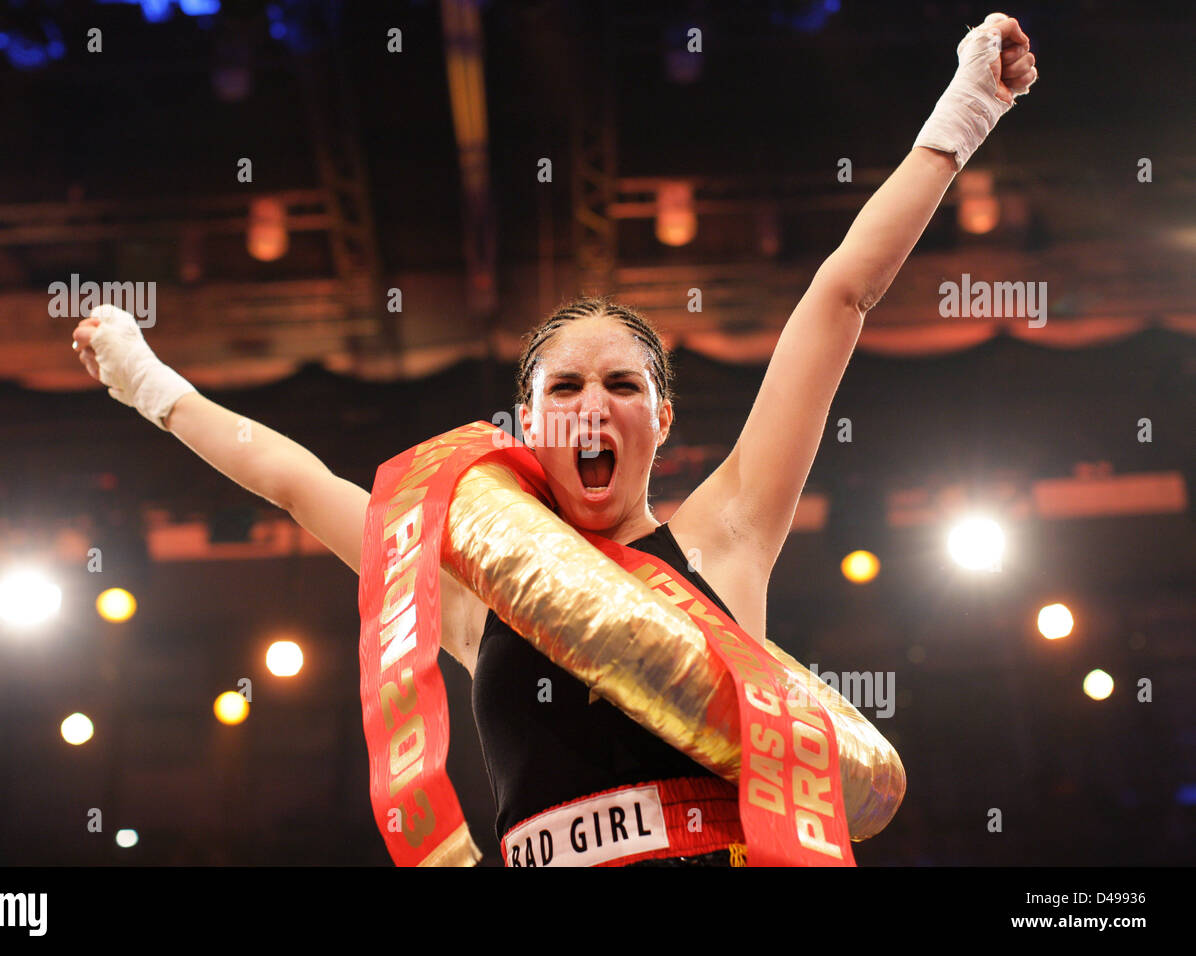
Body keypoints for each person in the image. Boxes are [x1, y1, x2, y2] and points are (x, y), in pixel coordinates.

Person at [71, 12, 1036, 866]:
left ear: (661, 419)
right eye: (564, 385)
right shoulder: (475, 601)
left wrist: (964, 112)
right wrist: (147, 382)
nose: (593, 403)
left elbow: (840, 296)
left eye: (623, 384)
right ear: (525, 426)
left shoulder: (727, 535)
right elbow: (295, 480)